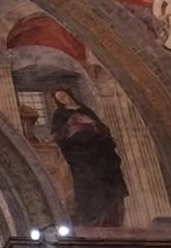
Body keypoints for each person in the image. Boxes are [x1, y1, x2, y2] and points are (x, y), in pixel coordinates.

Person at [48, 89, 128, 227]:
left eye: (64, 96)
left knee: (105, 181)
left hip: (98, 152)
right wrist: (71, 125)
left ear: (70, 94)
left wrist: (90, 122)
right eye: (59, 99)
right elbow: (56, 135)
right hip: (78, 154)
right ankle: (91, 219)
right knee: (86, 183)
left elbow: (104, 131)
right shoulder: (60, 114)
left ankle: (110, 218)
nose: (63, 100)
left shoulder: (86, 110)